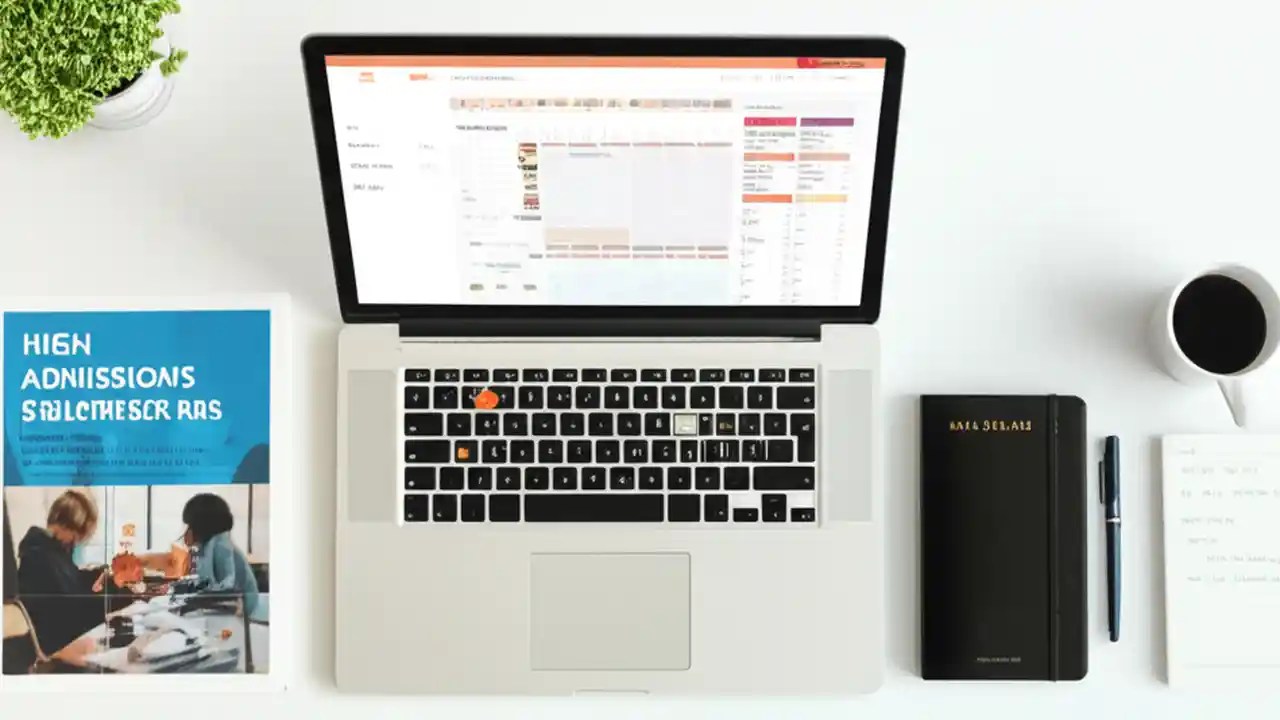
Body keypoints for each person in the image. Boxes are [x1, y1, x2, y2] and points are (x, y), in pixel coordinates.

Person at [15, 490, 110, 657]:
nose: (77, 543)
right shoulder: (40, 557)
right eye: (78, 537)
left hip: (64, 636)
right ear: (69, 526)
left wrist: (103, 573)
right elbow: (69, 607)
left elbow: (73, 581)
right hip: (57, 647)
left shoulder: (51, 551)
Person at [179, 493, 259, 616]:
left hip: (241, 615)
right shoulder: (211, 545)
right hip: (231, 611)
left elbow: (226, 589)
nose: (188, 529)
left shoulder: (221, 545)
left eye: (191, 524)